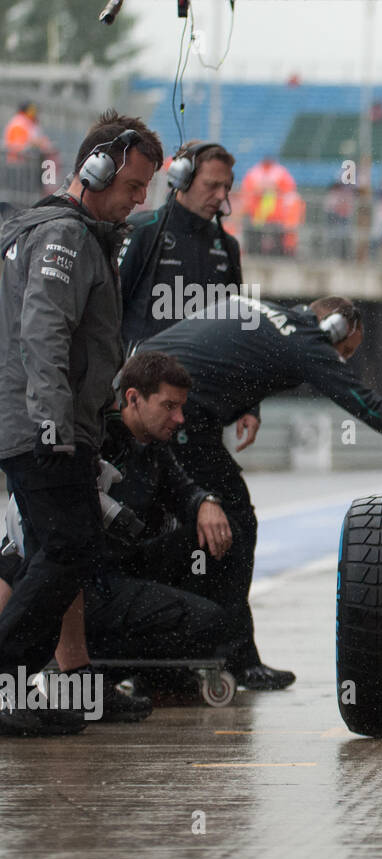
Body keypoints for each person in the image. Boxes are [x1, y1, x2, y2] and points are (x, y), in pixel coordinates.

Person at [139, 293, 382, 690]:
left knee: (174, 526)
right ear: (333, 329)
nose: (343, 361)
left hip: (143, 393)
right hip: (183, 414)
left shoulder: (260, 310)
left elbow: (231, 354)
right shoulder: (308, 343)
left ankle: (169, 658)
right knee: (236, 524)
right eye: (345, 351)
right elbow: (366, 406)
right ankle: (237, 659)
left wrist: (250, 405)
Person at [0, 110, 164, 735]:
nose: (137, 202)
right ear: (94, 170)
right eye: (131, 188)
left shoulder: (49, 232)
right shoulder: (64, 237)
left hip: (44, 423)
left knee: (50, 550)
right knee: (72, 545)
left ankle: (41, 686)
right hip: (42, 425)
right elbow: (43, 329)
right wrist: (53, 425)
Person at [4, 353, 233, 702]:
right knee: (209, 623)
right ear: (133, 399)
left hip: (116, 570)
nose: (179, 418)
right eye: (169, 406)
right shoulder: (95, 441)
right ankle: (95, 668)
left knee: (215, 538)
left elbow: (183, 489)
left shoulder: (152, 445)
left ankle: (128, 668)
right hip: (87, 583)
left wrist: (206, 503)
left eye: (181, 407)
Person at [118, 140, 242, 348]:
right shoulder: (141, 231)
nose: (221, 196)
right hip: (143, 374)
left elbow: (233, 321)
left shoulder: (228, 246)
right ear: (182, 180)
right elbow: (107, 311)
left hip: (202, 373)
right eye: (212, 185)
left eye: (226, 187)